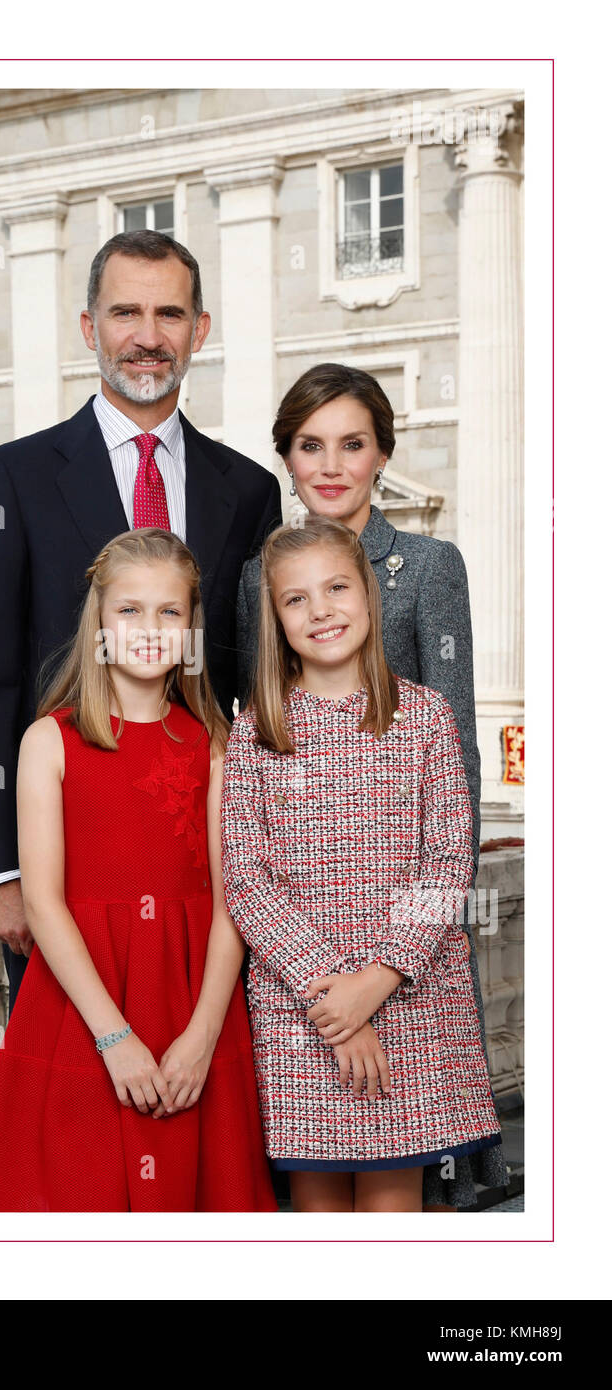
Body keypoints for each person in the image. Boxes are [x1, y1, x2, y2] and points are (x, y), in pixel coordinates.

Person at [0, 230, 282, 1013]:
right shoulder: (13, 476)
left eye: (168, 314)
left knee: (193, 1081)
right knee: (84, 1098)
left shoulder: (248, 488)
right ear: (88, 327)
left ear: (198, 331)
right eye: (124, 311)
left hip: (198, 865)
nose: (146, 335)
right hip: (63, 864)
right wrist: (1, 872)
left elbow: (256, 682)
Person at [236, 363, 508, 1209]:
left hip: (409, 947)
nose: (330, 464)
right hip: (302, 975)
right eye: (309, 445)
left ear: (381, 453)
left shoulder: (425, 567)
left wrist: (401, 958)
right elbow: (247, 853)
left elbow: (452, 751)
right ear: (285, 458)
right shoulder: (257, 581)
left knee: (399, 1202)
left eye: (351, 444)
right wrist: (326, 985)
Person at [0, 529, 278, 1211]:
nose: (149, 629)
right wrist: (113, 1038)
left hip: (192, 1000)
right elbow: (44, 904)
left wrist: (201, 1037)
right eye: (129, 610)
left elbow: (235, 903)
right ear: (100, 623)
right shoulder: (46, 740)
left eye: (169, 612)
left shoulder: (213, 746)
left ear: (191, 627)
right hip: (81, 1009)